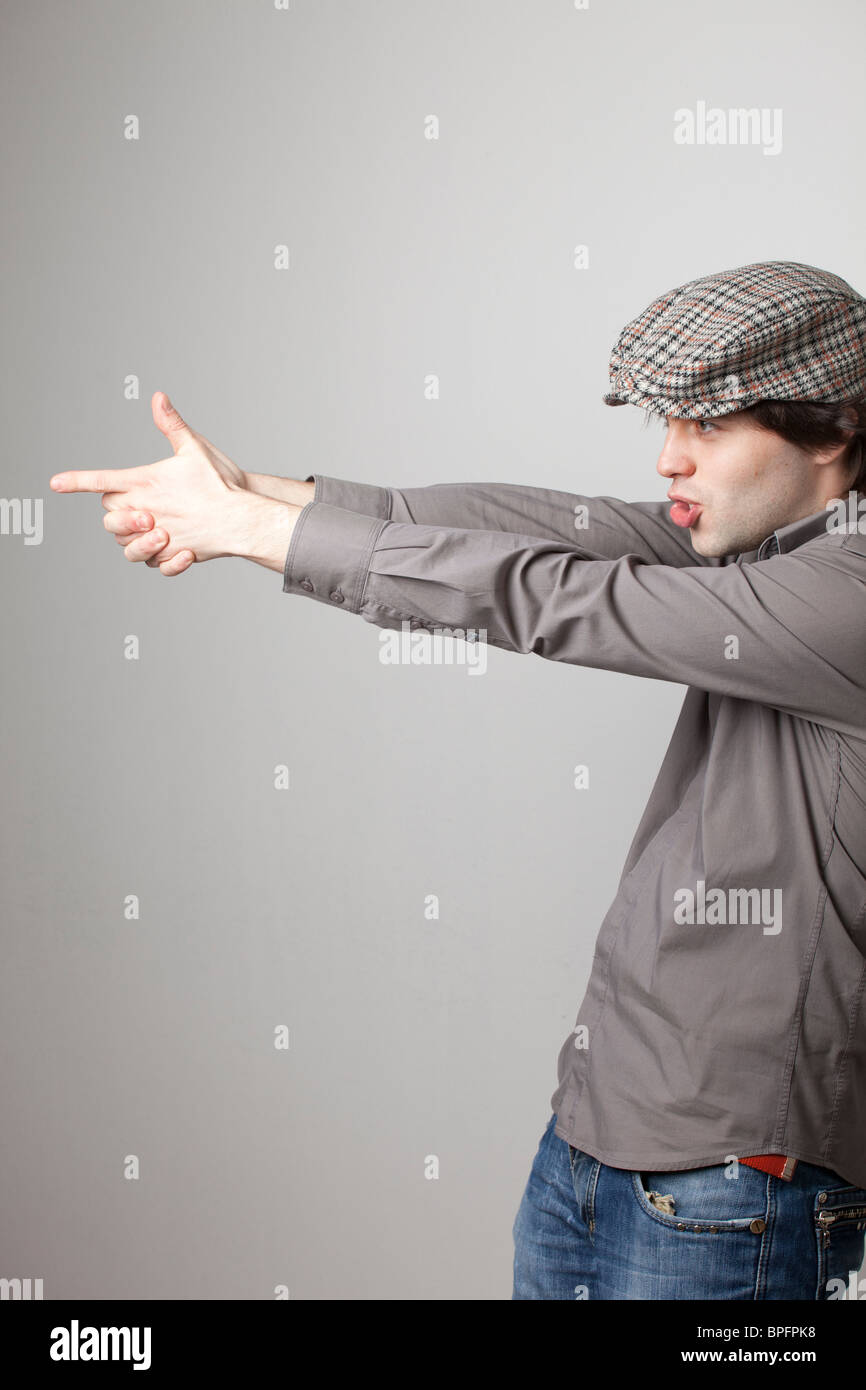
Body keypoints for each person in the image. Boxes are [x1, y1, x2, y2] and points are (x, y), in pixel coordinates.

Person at [50, 260, 866, 1300]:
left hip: (732, 1187)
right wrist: (250, 492)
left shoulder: (841, 595)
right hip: (595, 1139)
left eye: (705, 425)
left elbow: (557, 597)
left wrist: (262, 535)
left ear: (831, 428)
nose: (668, 457)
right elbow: (536, 528)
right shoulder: (758, 553)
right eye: (667, 421)